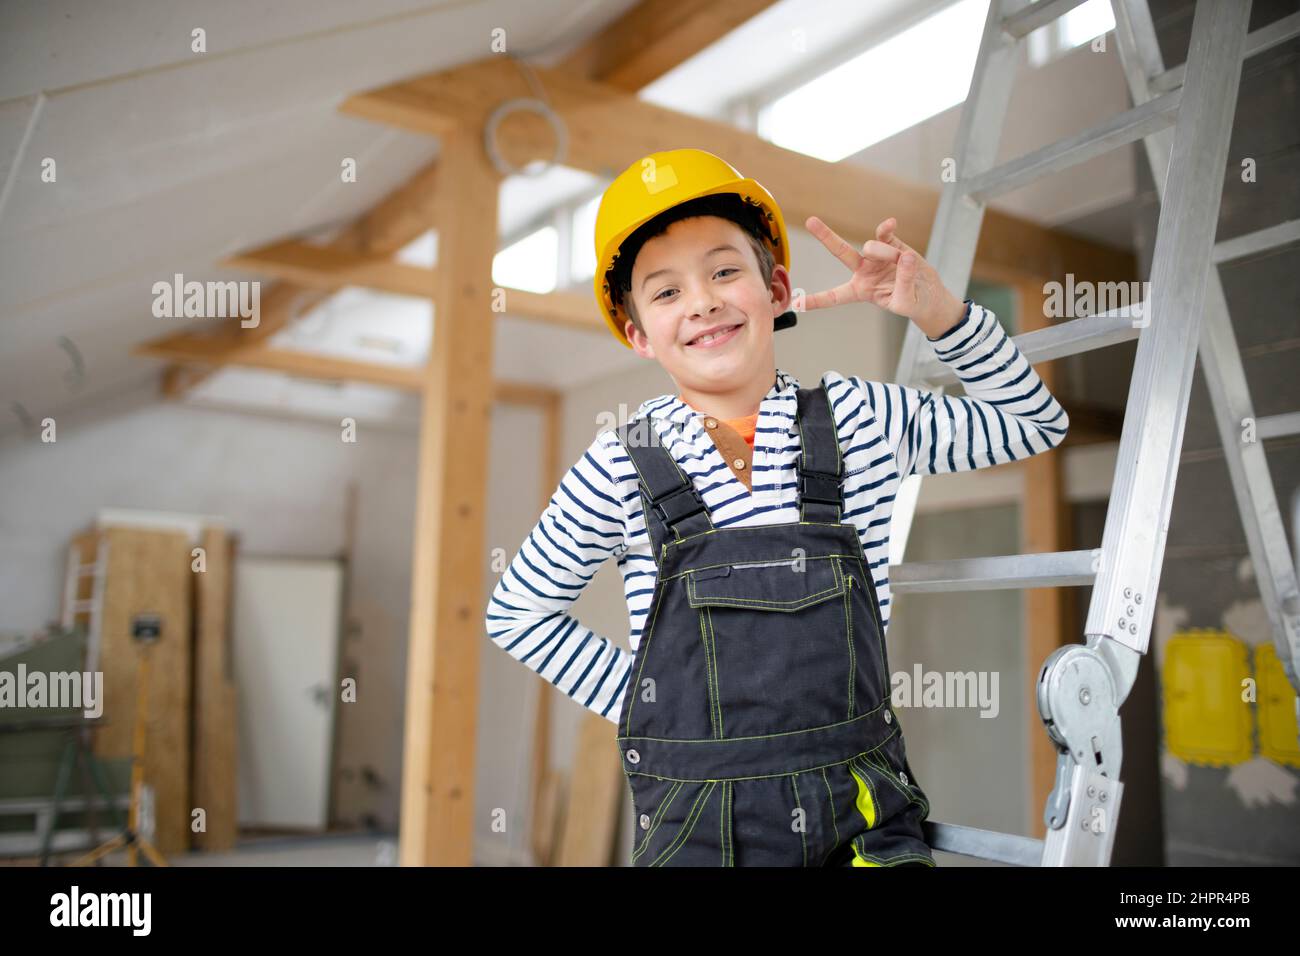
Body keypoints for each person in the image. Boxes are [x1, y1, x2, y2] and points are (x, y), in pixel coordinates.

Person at [485, 148, 1069, 867]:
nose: (701, 301)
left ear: (778, 288)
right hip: (695, 824)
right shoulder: (618, 465)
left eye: (725, 271)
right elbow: (516, 612)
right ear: (638, 333)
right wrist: (648, 706)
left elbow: (1033, 423)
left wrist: (940, 314)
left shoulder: (861, 419)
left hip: (863, 811)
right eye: (665, 293)